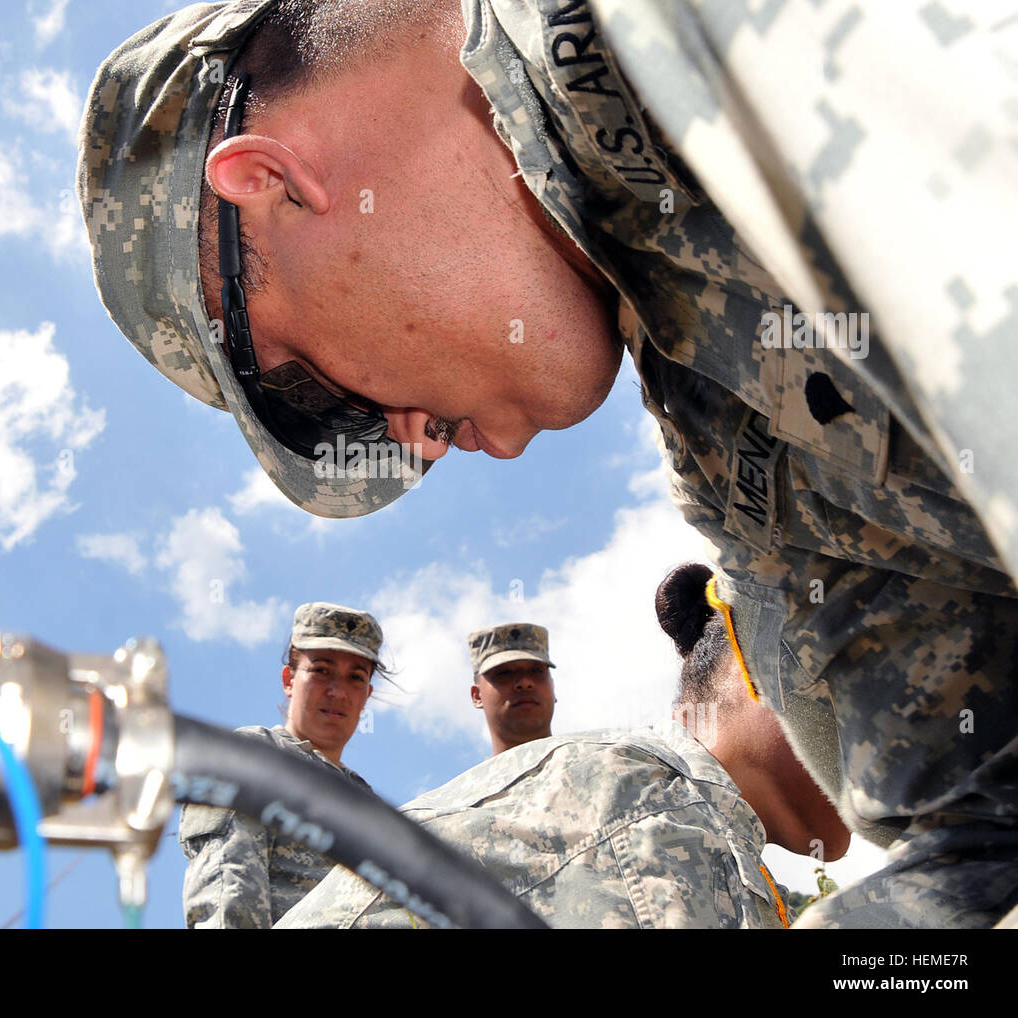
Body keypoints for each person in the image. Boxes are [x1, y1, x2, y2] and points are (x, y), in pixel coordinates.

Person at [77, 1, 1018, 927]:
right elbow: (979, 839)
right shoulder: (722, 449)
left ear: (271, 181)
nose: (415, 442)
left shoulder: (682, 41)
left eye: (318, 401)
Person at [276, 563, 850, 928]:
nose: (895, 751)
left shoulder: (691, 820)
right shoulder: (650, 818)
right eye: (866, 696)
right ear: (760, 669)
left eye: (536, 673)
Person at [178, 601, 381, 928]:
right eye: (321, 670)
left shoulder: (371, 805)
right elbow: (228, 897)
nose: (338, 692)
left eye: (355, 678)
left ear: (367, 694)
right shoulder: (253, 758)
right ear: (289, 679)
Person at [468, 623, 555, 755]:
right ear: (477, 696)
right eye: (504, 673)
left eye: (536, 671)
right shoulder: (474, 776)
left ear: (553, 688)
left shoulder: (594, 760)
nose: (525, 682)